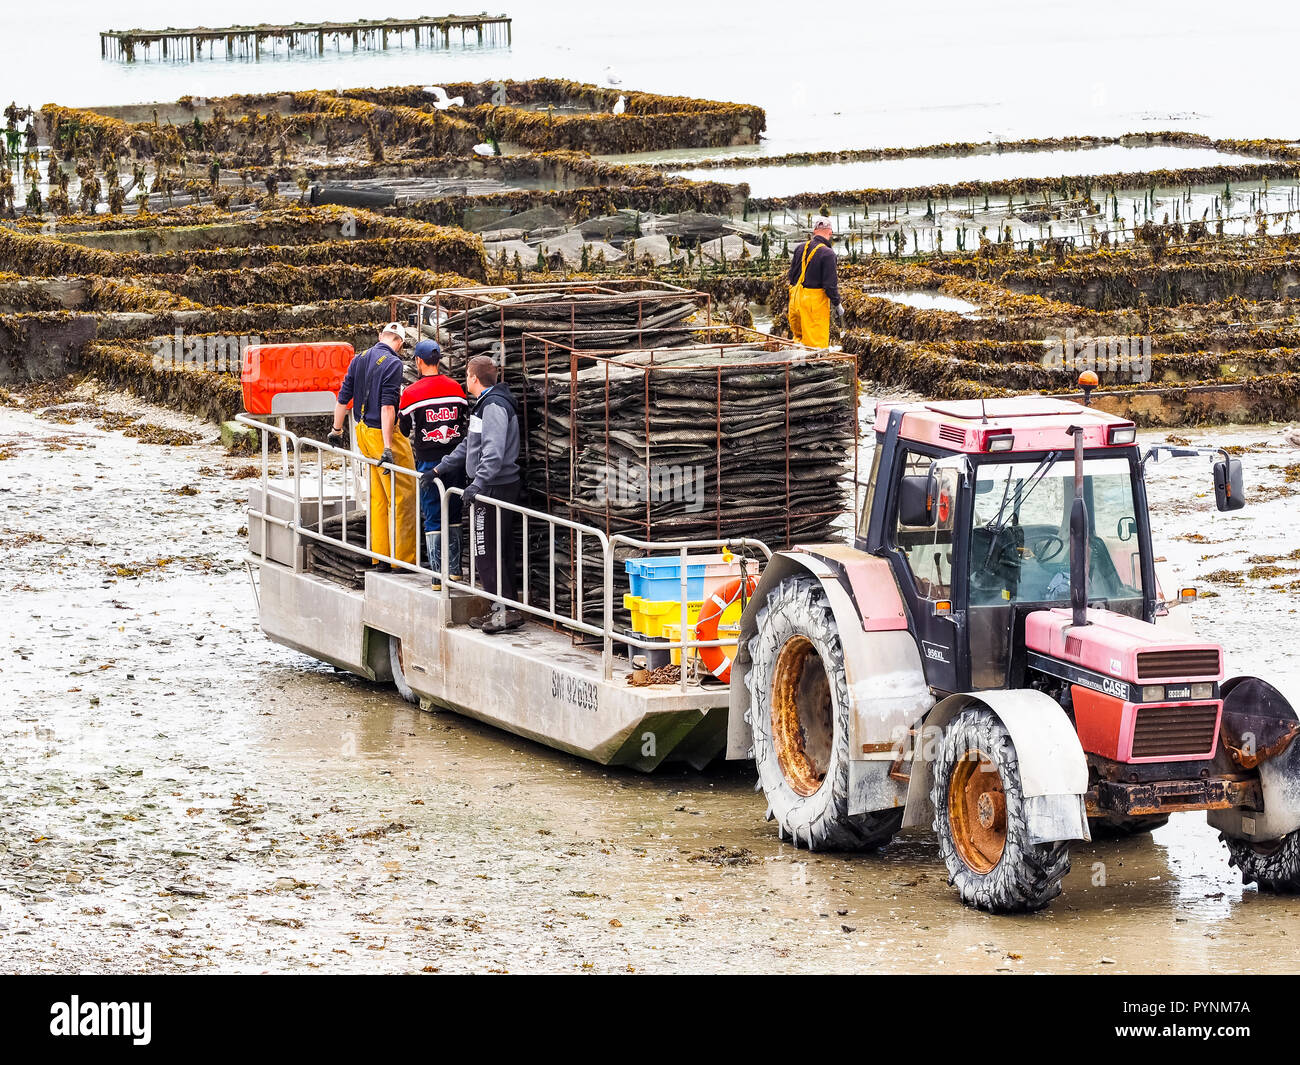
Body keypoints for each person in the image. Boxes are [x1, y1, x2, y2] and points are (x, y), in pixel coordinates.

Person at [428, 355, 523, 633]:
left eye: (467, 374)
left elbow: (492, 451)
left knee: (485, 551)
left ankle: (502, 611)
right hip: (496, 483)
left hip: (495, 486)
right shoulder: (487, 404)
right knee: (497, 550)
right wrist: (439, 469)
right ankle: (505, 609)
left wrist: (478, 483)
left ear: (473, 378)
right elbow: (471, 444)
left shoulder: (493, 406)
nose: (465, 379)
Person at [328, 322, 418, 569]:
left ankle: (380, 556)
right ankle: (401, 560)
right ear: (399, 343)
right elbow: (388, 406)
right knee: (402, 496)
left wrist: (336, 430)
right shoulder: (394, 363)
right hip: (383, 434)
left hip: (362, 431)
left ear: (381, 336)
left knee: (378, 497)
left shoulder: (359, 358)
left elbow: (343, 397)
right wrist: (388, 447)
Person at [399, 339, 467, 586]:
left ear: (418, 361)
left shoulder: (411, 393)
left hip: (428, 462)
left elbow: (404, 429)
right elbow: (463, 421)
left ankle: (438, 575)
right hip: (456, 460)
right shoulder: (457, 388)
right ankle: (456, 570)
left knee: (433, 515)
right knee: (455, 512)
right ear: (438, 361)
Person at [787, 217, 844, 349]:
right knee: (815, 345)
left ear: (814, 231)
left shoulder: (800, 248)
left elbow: (791, 276)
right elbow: (830, 285)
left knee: (799, 341)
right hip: (813, 304)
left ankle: (797, 365)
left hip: (795, 300)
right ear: (830, 232)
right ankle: (813, 367)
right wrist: (837, 303)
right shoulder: (828, 254)